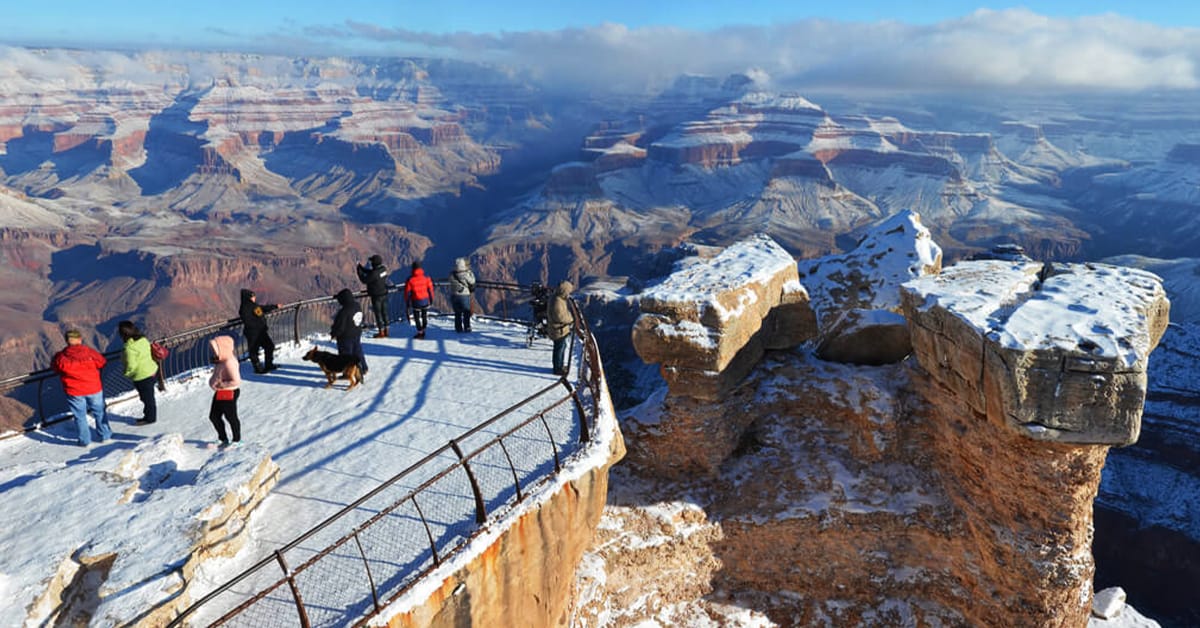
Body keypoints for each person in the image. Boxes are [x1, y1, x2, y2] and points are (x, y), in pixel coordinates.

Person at [51, 329, 111, 446]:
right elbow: (102, 362)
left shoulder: (61, 357)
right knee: (99, 412)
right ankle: (105, 435)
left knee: (80, 416)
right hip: (93, 387)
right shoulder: (90, 352)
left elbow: (55, 368)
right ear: (79, 339)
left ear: (67, 341)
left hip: (74, 391)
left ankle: (85, 441)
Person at [118, 321, 158, 425]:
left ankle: (150, 418)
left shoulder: (129, 348)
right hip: (152, 370)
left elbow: (131, 365)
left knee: (146, 398)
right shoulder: (143, 340)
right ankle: (149, 415)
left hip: (141, 376)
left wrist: (127, 373)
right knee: (149, 396)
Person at [207, 335, 242, 448]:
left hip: (229, 392)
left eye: (215, 349)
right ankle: (223, 438)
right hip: (221, 392)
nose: (213, 352)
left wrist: (221, 385)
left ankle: (237, 440)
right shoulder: (221, 360)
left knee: (231, 417)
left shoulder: (229, 362)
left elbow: (236, 381)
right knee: (214, 416)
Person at [239, 289, 280, 374]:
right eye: (253, 296)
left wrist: (275, 306)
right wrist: (257, 326)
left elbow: (262, 309)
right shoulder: (244, 309)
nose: (254, 298)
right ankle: (258, 368)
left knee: (269, 346)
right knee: (254, 350)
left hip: (261, 332)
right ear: (248, 297)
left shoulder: (253, 306)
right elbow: (248, 321)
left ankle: (269, 364)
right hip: (253, 333)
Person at [331, 288, 367, 378]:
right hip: (357, 333)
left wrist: (333, 334)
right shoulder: (357, 305)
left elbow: (339, 327)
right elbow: (361, 317)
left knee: (345, 357)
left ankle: (347, 373)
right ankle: (363, 368)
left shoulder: (343, 312)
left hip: (345, 338)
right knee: (358, 352)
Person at [356, 254, 391, 338]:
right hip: (384, 294)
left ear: (374, 263)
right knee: (385, 313)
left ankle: (381, 333)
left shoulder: (374, 274)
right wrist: (361, 267)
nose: (370, 263)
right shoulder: (383, 269)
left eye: (371, 261)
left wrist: (359, 271)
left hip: (376, 296)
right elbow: (372, 272)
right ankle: (387, 330)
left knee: (378, 314)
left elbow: (364, 280)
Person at [546, 280, 575, 376]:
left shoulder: (557, 298)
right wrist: (571, 318)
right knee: (559, 348)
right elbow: (560, 317)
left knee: (562, 347)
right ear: (564, 291)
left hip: (559, 329)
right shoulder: (557, 302)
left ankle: (560, 365)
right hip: (558, 330)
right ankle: (557, 368)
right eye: (568, 291)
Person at [404, 261, 435, 339]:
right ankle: (424, 329)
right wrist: (431, 300)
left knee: (417, 317)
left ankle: (420, 332)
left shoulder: (410, 280)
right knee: (424, 315)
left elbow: (407, 292)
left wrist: (407, 302)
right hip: (425, 300)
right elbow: (430, 290)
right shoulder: (427, 278)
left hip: (416, 301)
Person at [449, 257, 476, 333]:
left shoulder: (452, 274)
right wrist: (470, 273)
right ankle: (467, 327)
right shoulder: (466, 274)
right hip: (464, 295)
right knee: (466, 313)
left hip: (454, 295)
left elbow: (450, 281)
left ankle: (458, 328)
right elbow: (472, 281)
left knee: (457, 313)